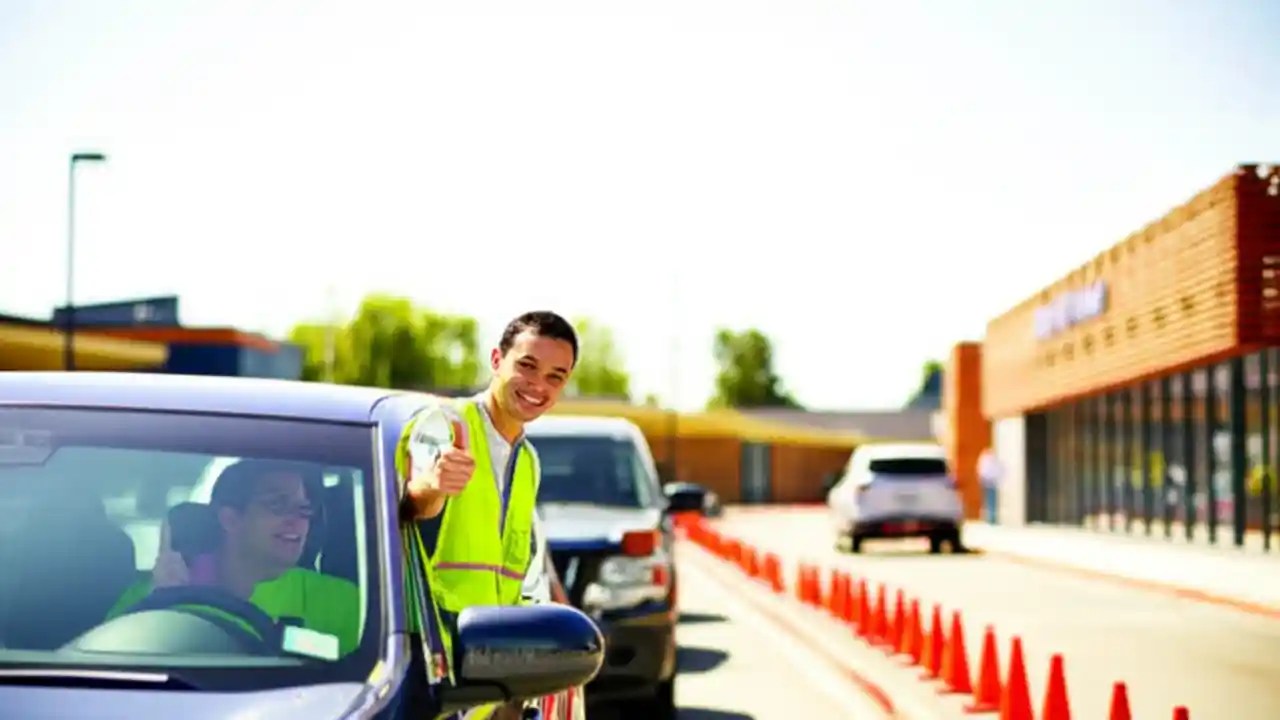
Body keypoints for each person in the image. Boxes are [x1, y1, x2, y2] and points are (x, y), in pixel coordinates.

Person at [395, 310, 577, 720]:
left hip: (485, 685)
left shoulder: (528, 462)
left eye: (555, 376)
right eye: (527, 366)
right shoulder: (446, 425)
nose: (538, 385)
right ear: (497, 360)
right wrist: (433, 485)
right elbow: (408, 507)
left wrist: (512, 698)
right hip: (427, 676)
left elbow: (516, 578)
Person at [108, 458, 360, 656]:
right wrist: (160, 610)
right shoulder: (149, 595)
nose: (296, 521)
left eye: (304, 509)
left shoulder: (344, 603)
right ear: (230, 519)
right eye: (277, 505)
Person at [978, 447, 1003, 524]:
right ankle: (989, 517)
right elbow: (982, 471)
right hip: (988, 482)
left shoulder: (989, 460)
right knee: (989, 500)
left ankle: (991, 518)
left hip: (991, 483)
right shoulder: (986, 460)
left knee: (991, 500)